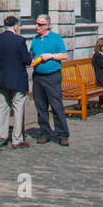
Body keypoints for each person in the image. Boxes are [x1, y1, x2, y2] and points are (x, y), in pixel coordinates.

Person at [29, 15, 71, 145]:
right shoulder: (35, 40)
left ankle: (62, 134)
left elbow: (64, 55)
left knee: (56, 105)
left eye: (40, 25)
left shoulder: (56, 38)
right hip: (38, 77)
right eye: (36, 24)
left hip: (52, 76)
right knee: (41, 106)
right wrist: (31, 60)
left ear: (47, 26)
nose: (37, 27)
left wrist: (51, 56)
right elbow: (31, 54)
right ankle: (45, 132)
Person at [0, 15, 31, 147]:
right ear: (15, 26)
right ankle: (17, 139)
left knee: (2, 108)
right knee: (18, 108)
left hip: (3, 79)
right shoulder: (19, 41)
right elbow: (27, 60)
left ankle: (0, 137)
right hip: (18, 80)